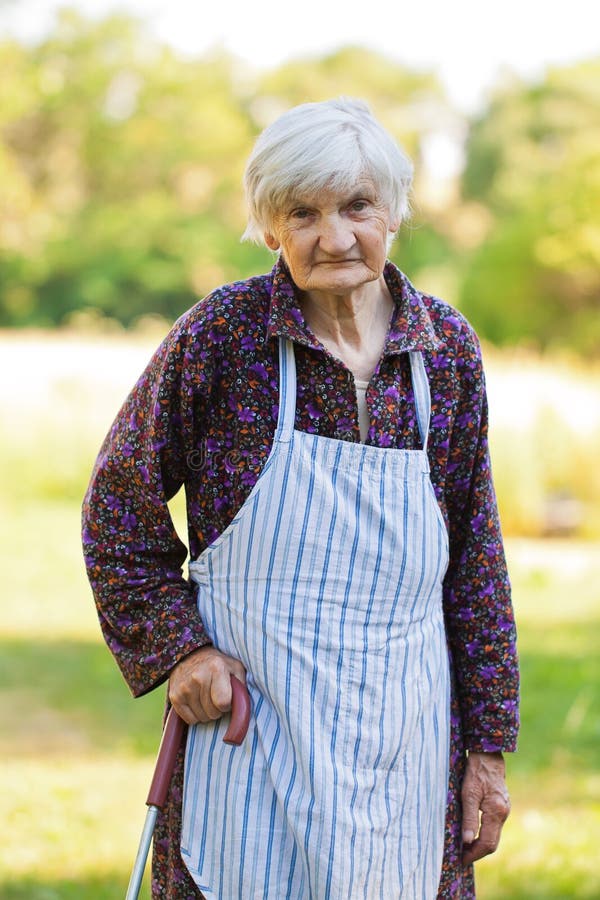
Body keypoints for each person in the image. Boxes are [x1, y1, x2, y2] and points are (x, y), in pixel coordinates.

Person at [82, 97, 519, 899]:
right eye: (303, 213)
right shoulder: (223, 337)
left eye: (356, 206)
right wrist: (180, 650)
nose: (335, 237)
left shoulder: (446, 350)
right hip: (252, 742)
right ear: (269, 227)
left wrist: (487, 749)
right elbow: (118, 507)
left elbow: (475, 562)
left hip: (407, 751)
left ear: (394, 211)